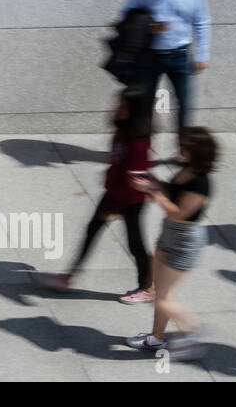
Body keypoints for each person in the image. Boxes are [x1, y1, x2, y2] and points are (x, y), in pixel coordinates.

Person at [38, 89, 154, 303]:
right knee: (92, 230)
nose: (116, 108)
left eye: (121, 106)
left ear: (133, 111)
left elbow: (135, 181)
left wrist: (116, 207)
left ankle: (147, 287)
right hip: (114, 193)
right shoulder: (122, 129)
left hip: (130, 200)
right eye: (117, 103)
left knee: (135, 243)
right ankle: (68, 277)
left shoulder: (137, 142)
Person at [126, 127, 217, 358]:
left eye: (184, 147)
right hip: (169, 235)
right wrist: (155, 182)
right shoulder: (186, 169)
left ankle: (194, 329)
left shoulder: (201, 184)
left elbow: (178, 213)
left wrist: (153, 192)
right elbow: (173, 192)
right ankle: (156, 338)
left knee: (160, 297)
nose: (180, 150)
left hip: (184, 242)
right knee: (158, 291)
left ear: (197, 152)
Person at [122, 0, 211, 142]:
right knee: (144, 103)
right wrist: (148, 26)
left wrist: (202, 54)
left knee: (184, 104)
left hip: (179, 54)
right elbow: (126, 14)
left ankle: (184, 149)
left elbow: (202, 22)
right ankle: (142, 148)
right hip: (150, 56)